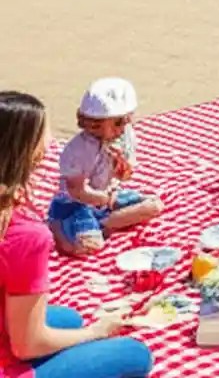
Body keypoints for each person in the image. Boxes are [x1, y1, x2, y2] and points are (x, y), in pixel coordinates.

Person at [0, 91, 154, 378]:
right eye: (44, 135)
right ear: (27, 149)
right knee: (135, 354)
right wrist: (97, 331)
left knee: (70, 319)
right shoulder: (24, 234)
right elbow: (28, 345)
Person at [46, 79, 163, 256]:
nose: (123, 128)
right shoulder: (79, 149)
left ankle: (102, 224)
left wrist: (122, 167)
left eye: (126, 121)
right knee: (84, 248)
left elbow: (125, 176)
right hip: (77, 203)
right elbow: (76, 190)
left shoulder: (125, 136)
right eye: (117, 123)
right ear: (95, 124)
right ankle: (60, 226)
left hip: (107, 196)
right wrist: (103, 199)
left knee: (154, 206)